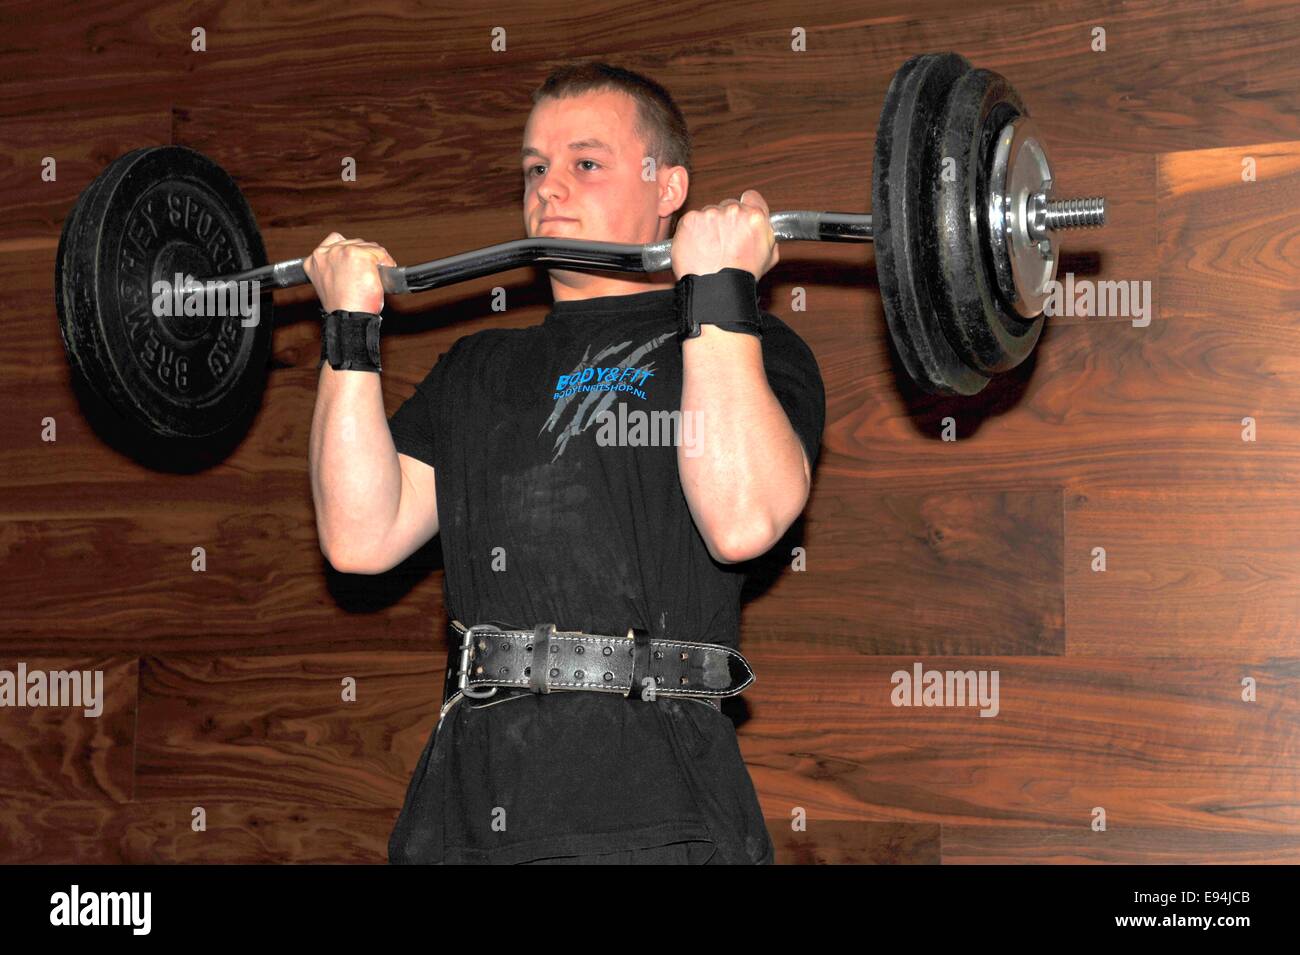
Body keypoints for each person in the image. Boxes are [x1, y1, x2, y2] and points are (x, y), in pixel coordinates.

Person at [306, 62, 825, 864]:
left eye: (586, 163)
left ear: (669, 187)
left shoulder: (742, 354)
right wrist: (349, 331)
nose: (550, 188)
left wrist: (720, 291)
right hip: (466, 814)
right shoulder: (474, 369)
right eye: (535, 169)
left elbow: (743, 518)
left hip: (660, 811)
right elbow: (357, 536)